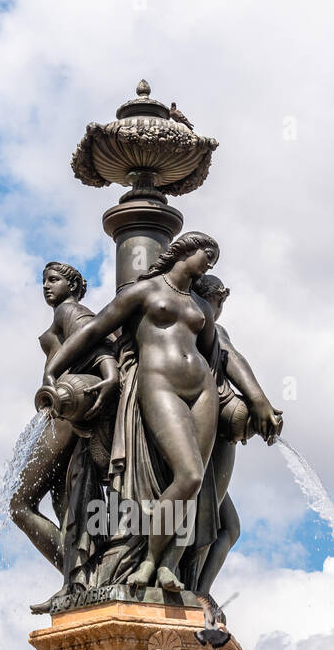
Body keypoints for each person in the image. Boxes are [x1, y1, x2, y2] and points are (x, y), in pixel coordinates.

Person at [44, 232, 222, 591]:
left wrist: (255, 399)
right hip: (158, 385)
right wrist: (53, 370)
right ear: (185, 251)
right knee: (188, 476)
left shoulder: (201, 306)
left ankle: (169, 564)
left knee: (195, 485)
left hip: (202, 391)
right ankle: (149, 560)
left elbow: (218, 353)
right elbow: (95, 329)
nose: (210, 265)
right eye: (208, 256)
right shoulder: (143, 292)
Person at [9, 263, 117, 571]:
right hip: (66, 414)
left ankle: (79, 574)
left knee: (19, 505)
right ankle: (82, 575)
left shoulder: (70, 311)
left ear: (72, 286)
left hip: (65, 416)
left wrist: (109, 375)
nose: (46, 286)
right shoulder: (68, 313)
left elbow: (97, 342)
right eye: (43, 281)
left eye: (54, 280)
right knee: (64, 504)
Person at [190, 273, 283, 596]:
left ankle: (197, 591)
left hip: (191, 429)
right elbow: (232, 357)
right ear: (219, 297)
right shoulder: (208, 325)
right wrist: (259, 401)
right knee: (215, 522)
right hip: (213, 432)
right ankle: (195, 593)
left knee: (225, 525)